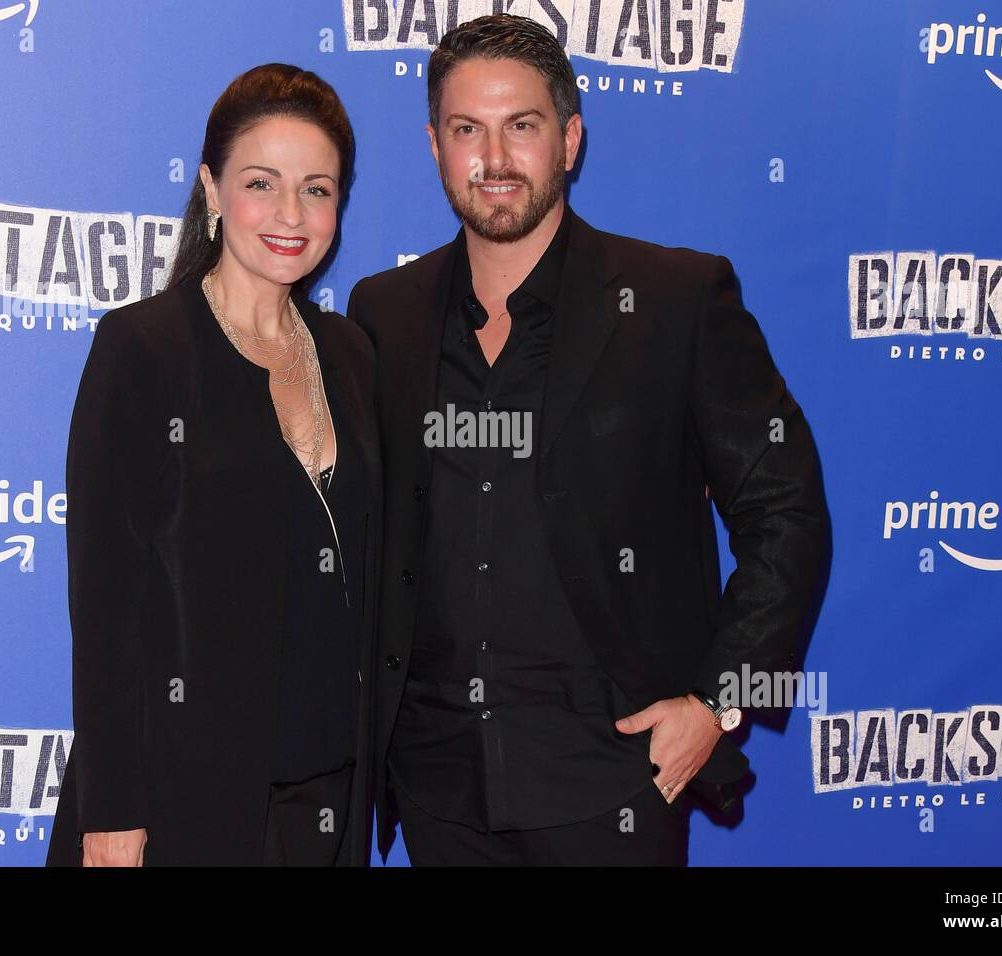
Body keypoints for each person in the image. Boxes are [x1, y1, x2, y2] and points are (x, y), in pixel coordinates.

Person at [347, 15, 830, 866]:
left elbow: (786, 509)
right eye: (467, 130)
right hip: (438, 785)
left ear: (569, 140)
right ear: (433, 145)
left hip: (616, 782)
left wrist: (717, 704)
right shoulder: (384, 313)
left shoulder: (676, 300)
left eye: (521, 126)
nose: (493, 158)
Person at [45, 63, 379, 866]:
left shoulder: (352, 354)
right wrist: (113, 811)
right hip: (176, 802)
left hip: (324, 801)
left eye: (318, 189)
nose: (291, 215)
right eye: (261, 183)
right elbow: (105, 606)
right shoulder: (143, 350)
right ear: (211, 187)